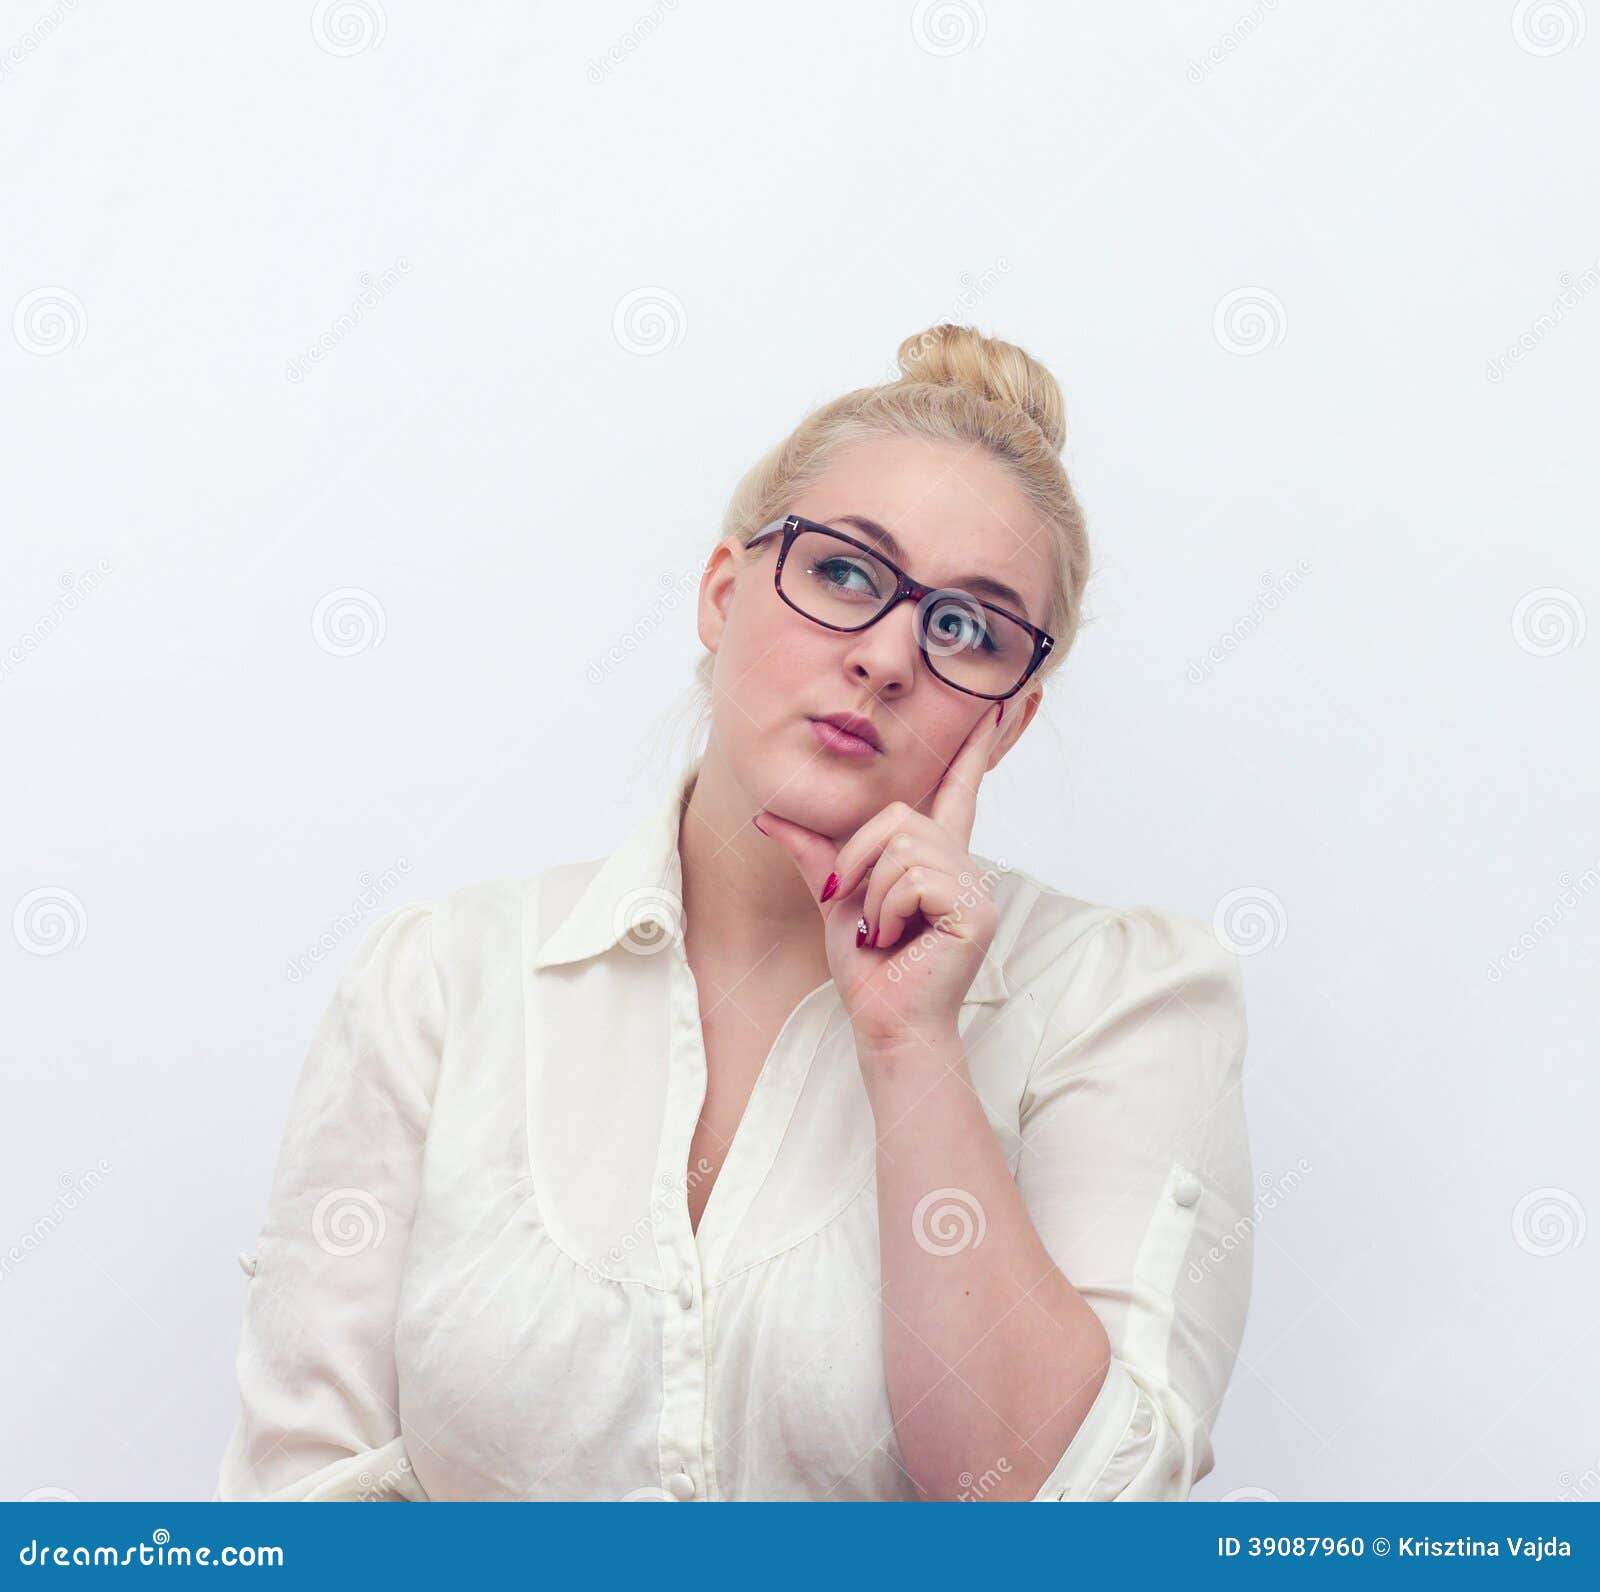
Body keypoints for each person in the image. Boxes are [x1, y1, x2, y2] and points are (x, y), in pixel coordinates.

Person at [215, 323, 1254, 1503]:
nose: (886, 655)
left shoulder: (1125, 997)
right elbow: (293, 1513)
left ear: (1004, 722)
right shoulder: (441, 983)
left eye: (967, 627)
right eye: (846, 573)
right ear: (722, 594)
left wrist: (909, 1044)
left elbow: (1070, 1523)